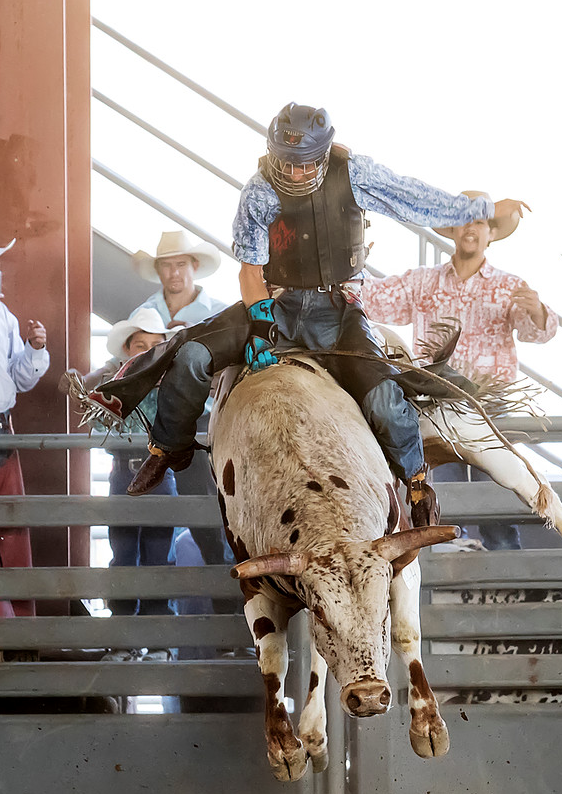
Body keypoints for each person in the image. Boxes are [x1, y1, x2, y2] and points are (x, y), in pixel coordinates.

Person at [94, 104, 528, 528]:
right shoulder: (259, 190)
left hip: (338, 310)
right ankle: (169, 446)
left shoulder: (354, 172)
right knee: (189, 356)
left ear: (323, 155)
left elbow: (412, 198)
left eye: (306, 164)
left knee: (382, 396)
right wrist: (263, 325)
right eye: (288, 164)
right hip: (276, 304)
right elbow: (249, 270)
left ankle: (416, 480)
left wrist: (482, 209)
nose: (297, 174)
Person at [361, 190, 560, 549]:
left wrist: (539, 311)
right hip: (437, 412)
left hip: (490, 414)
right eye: (465, 219)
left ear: (491, 233)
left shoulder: (510, 286)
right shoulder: (421, 282)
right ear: (452, 230)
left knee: (500, 514)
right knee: (446, 512)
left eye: (480, 221)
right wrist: (354, 261)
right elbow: (371, 299)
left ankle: (506, 591)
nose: (471, 228)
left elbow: (536, 332)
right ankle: (447, 595)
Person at [61, 309, 180, 618]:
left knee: (158, 553)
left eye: (156, 344)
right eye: (141, 345)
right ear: (128, 350)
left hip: (159, 469)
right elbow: (98, 423)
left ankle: (156, 638)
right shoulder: (115, 384)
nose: (150, 351)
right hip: (125, 471)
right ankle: (123, 633)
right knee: (124, 552)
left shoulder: (174, 381)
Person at [128, 231, 232, 573]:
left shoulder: (219, 313)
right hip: (167, 419)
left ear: (194, 266)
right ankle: (218, 576)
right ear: (159, 271)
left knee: (222, 499)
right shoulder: (144, 314)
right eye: (167, 266)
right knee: (190, 503)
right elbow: (129, 363)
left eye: (180, 265)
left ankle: (225, 575)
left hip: (212, 419)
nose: (174, 273)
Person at [0, 237, 49, 618]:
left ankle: (15, 629)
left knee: (11, 532)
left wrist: (33, 349)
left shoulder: (5, 318)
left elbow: (17, 379)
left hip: (2, 430)